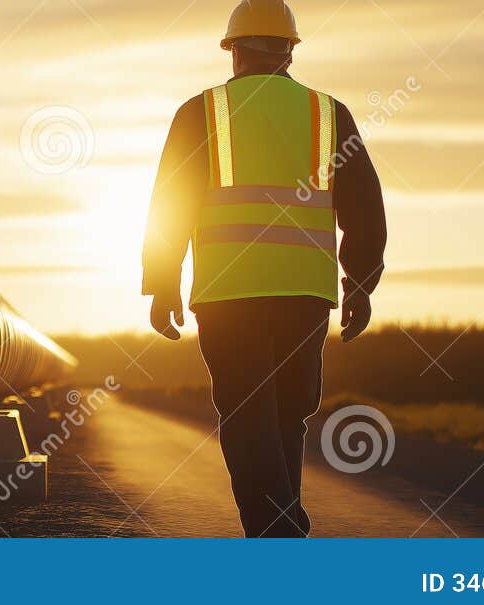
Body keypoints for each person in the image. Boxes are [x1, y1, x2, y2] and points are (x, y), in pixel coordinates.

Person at [140, 0, 387, 537]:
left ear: (233, 50)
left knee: (247, 415)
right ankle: (280, 537)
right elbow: (364, 204)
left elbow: (170, 204)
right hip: (303, 294)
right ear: (291, 50)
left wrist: (162, 283)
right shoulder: (328, 113)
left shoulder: (200, 112)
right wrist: (360, 284)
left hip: (229, 293)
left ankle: (279, 535)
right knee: (286, 417)